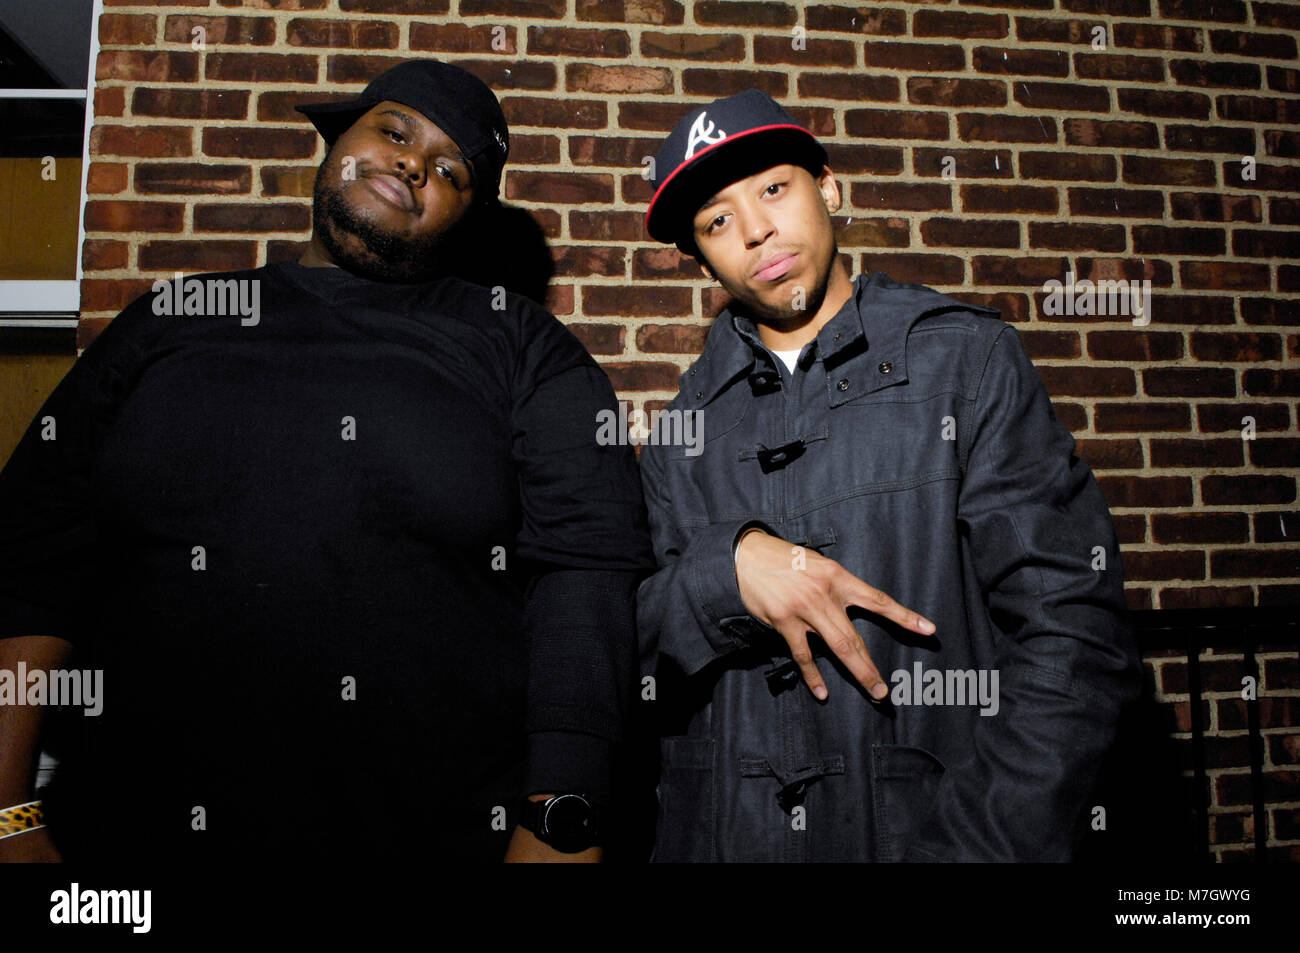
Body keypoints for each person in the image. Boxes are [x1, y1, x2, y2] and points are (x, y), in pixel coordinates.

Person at [0, 59, 653, 864]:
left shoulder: (519, 343)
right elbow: (34, 552)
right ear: (336, 140)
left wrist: (560, 825)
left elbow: (584, 573)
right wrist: (8, 813)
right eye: (395, 130)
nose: (416, 163)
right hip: (122, 844)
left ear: (464, 216)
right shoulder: (175, 318)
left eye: (452, 170)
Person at [636, 90, 1142, 862]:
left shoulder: (965, 363)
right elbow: (624, 644)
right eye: (717, 220)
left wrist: (982, 848)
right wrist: (725, 570)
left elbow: (1072, 633)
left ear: (829, 188)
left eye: (774, 188)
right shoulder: (680, 433)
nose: (756, 229)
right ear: (700, 256)